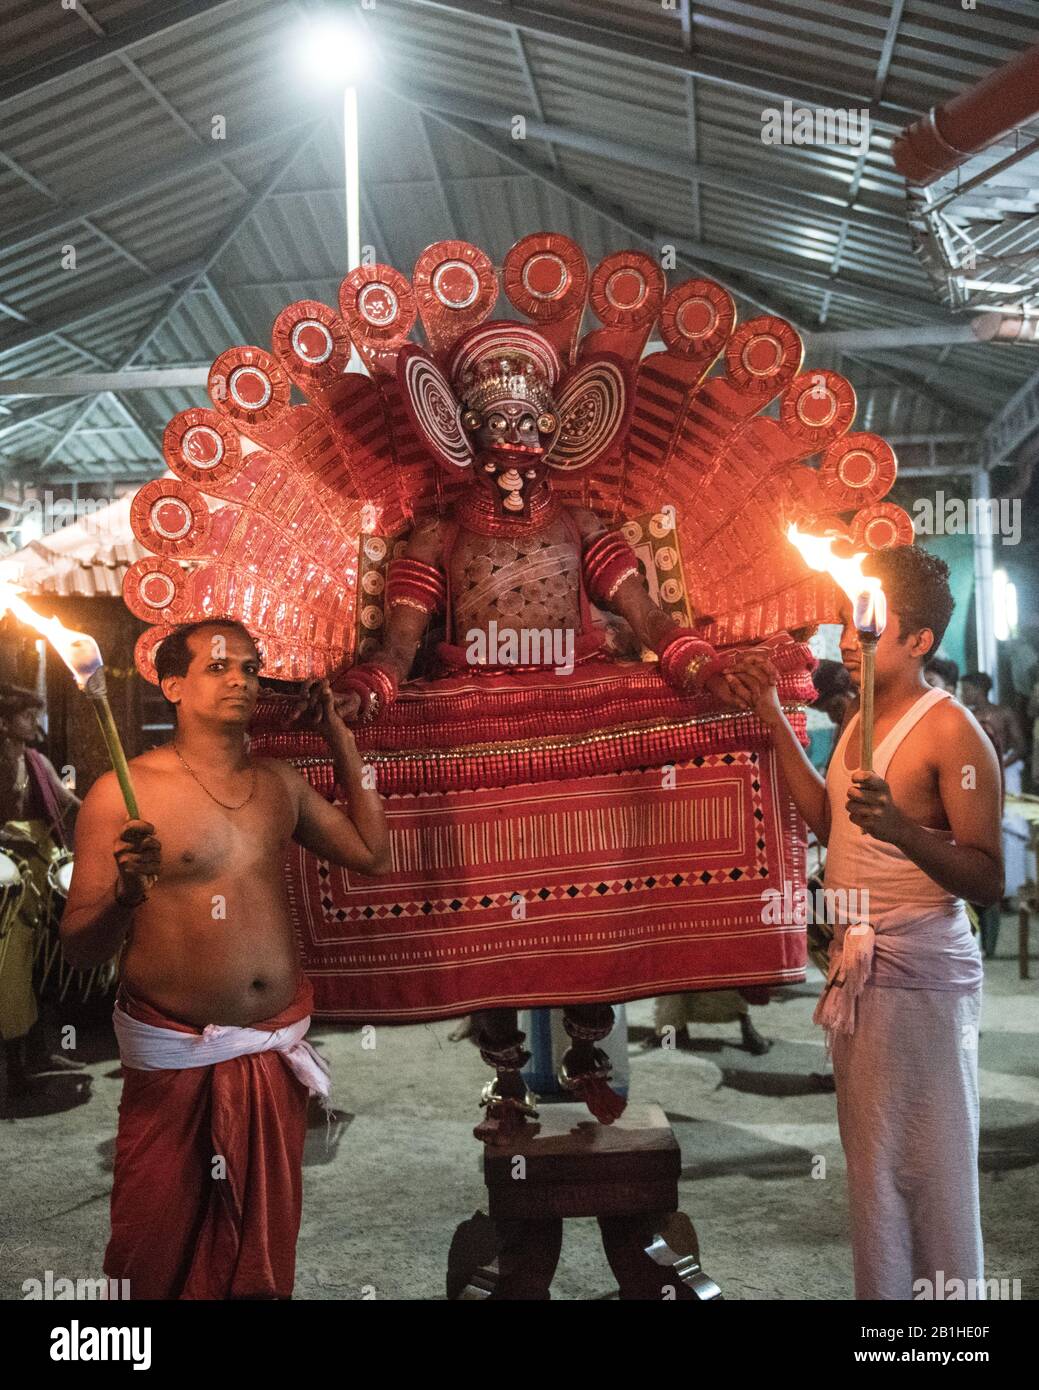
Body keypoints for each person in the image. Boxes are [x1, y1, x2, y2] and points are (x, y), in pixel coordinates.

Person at [60, 618, 390, 1300]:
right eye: (219, 667)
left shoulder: (279, 784)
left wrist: (339, 735)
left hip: (270, 1049)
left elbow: (369, 852)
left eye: (250, 666)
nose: (241, 678)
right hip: (176, 1054)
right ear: (172, 685)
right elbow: (81, 946)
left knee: (257, 1254)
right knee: (154, 1248)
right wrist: (125, 895)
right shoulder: (124, 793)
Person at [752, 546, 1002, 1300]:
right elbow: (834, 829)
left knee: (932, 1170)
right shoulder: (862, 713)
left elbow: (989, 880)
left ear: (919, 640)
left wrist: (901, 830)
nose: (849, 630)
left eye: (872, 619)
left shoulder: (952, 733)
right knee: (875, 1171)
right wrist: (769, 715)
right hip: (860, 970)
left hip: (920, 974)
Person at [0, 681, 82, 1098]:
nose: (34, 722)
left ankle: (42, 1053)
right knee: (11, 970)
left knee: (44, 965)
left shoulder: (37, 761)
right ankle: (13, 1069)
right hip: (7, 880)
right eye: (26, 715)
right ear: (4, 723)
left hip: (41, 869)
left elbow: (70, 802)